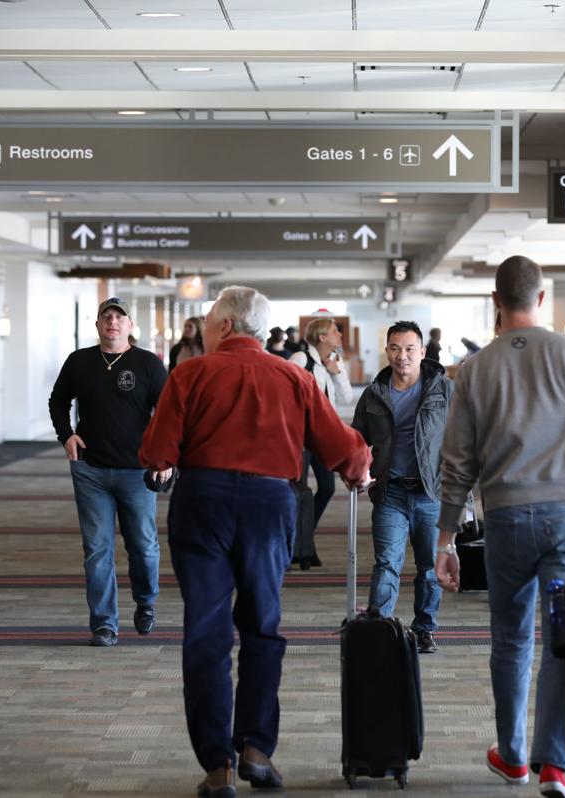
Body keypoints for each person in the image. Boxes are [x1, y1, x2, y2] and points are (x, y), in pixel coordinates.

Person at [138, 286, 371, 798]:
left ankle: (217, 765)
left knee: (206, 632)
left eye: (209, 322)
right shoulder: (293, 376)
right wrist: (359, 468)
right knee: (263, 627)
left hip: (203, 503)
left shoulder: (191, 374)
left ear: (224, 326)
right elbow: (340, 446)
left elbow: (156, 453)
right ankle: (256, 749)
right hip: (269, 505)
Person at [434, 255, 565, 798]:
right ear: (541, 298)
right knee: (562, 637)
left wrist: (446, 538)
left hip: (505, 521)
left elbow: (457, 464)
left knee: (511, 637)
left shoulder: (473, 371)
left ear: (496, 302)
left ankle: (513, 755)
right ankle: (555, 765)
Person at [48, 297, 169, 648]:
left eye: (119, 317)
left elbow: (168, 412)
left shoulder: (148, 364)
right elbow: (58, 400)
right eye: (106, 317)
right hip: (90, 469)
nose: (112, 322)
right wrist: (66, 435)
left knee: (143, 547)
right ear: (98, 324)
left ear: (130, 325)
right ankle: (104, 625)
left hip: (137, 470)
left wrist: (165, 457)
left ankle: (146, 601)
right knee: (97, 549)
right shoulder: (79, 361)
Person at [350, 320, 454, 655]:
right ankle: (380, 629)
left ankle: (424, 629)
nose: (402, 356)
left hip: (431, 492)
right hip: (390, 492)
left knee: (429, 567)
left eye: (409, 349)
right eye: (395, 349)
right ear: (387, 351)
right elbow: (357, 438)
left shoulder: (445, 391)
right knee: (387, 563)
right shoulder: (374, 394)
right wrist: (355, 468)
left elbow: (464, 438)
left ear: (422, 352)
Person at [289, 317, 353, 531]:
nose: (340, 334)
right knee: (298, 489)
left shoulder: (336, 361)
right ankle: (297, 540)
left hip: (323, 437)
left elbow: (346, 397)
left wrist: (336, 373)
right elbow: (284, 390)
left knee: (327, 488)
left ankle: (305, 534)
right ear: (322, 337)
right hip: (301, 437)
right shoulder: (301, 359)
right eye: (335, 331)